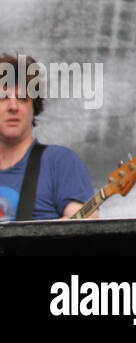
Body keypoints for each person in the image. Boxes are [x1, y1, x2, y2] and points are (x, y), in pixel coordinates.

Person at [0, 53, 96, 222]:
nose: (13, 106)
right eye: (3, 98)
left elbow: (85, 228)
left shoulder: (60, 162)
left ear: (34, 107)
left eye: (22, 98)